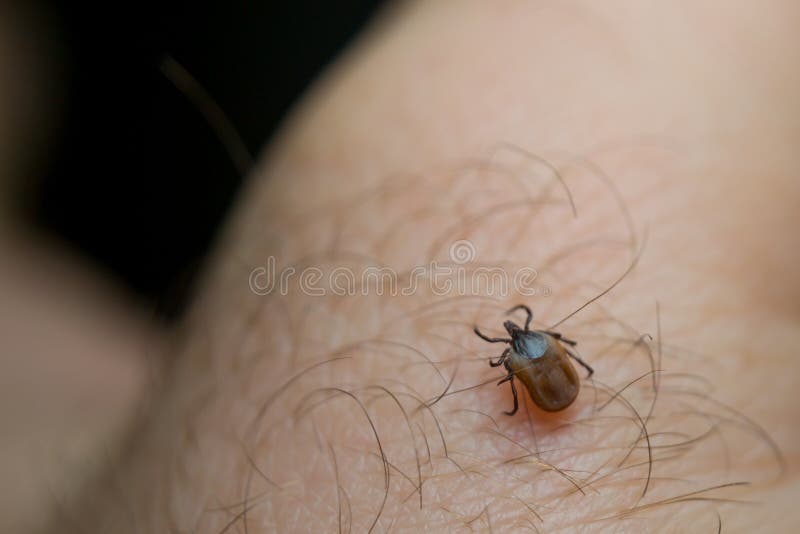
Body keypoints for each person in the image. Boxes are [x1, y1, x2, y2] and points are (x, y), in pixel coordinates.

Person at [2, 2, 798, 532]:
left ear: (534, 356)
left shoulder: (527, 362)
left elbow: (539, 383)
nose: (529, 351)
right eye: (528, 352)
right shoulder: (543, 357)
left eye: (528, 349)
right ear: (539, 356)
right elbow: (558, 375)